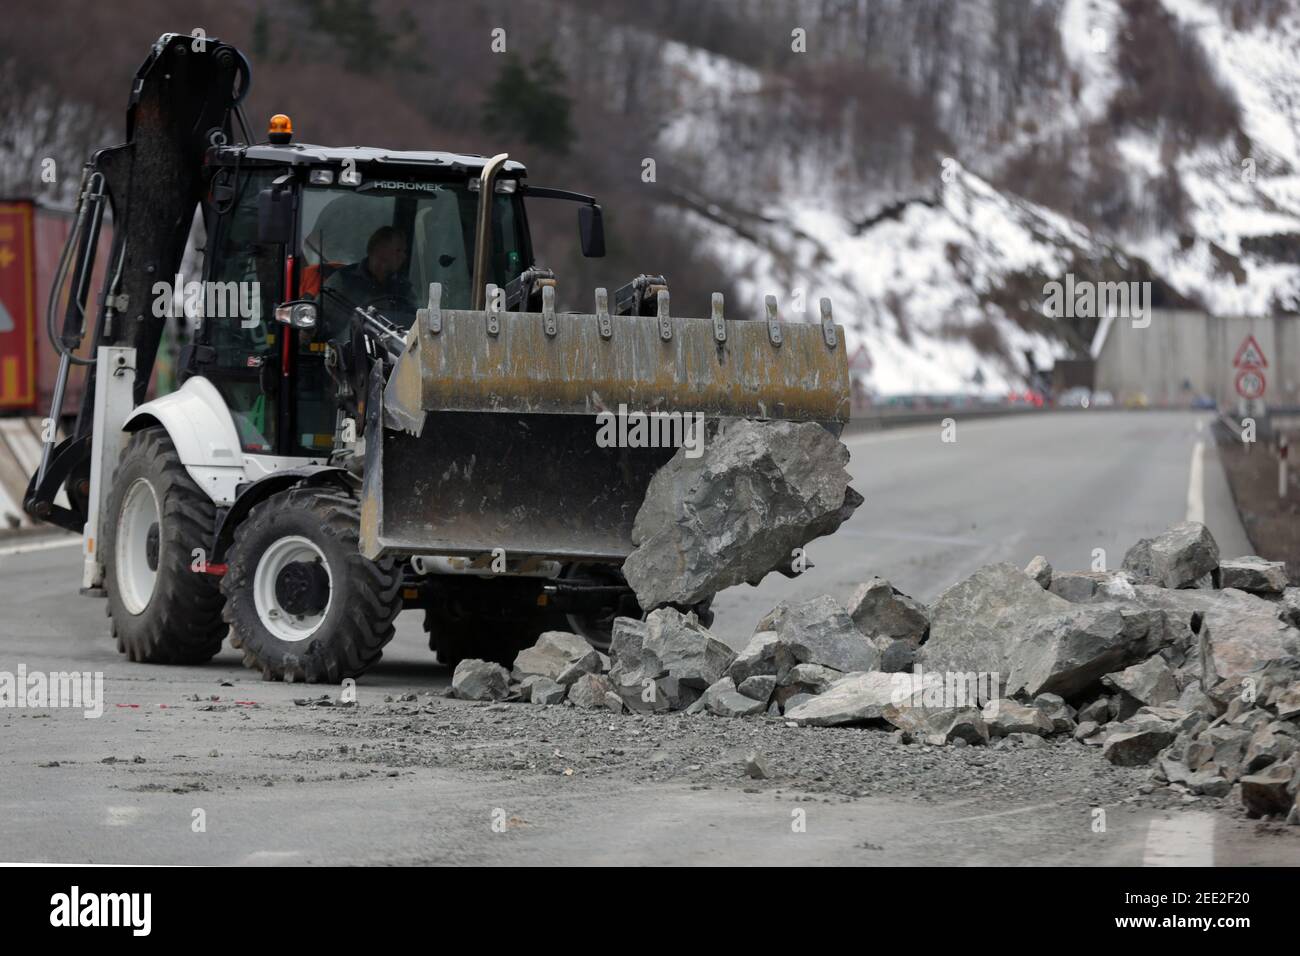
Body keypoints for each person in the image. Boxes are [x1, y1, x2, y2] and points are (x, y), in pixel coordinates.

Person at [321, 226, 415, 342]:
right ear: (381, 250)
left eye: (404, 251)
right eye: (398, 251)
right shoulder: (343, 280)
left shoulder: (403, 287)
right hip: (343, 353)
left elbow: (413, 321)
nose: (403, 256)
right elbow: (316, 317)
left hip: (393, 355)